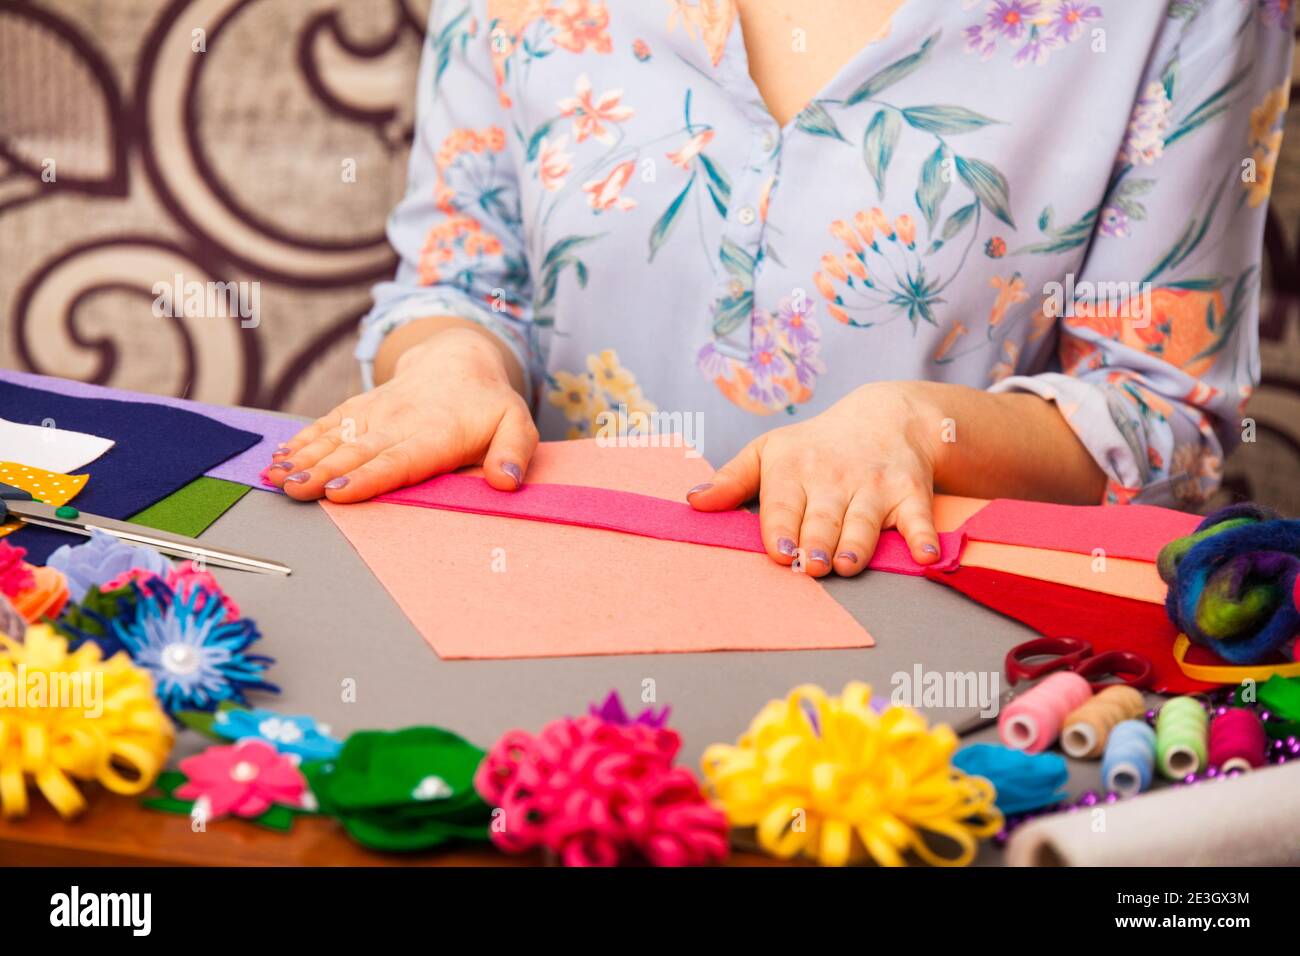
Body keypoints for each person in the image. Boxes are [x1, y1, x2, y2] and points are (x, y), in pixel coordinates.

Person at [267, 0, 1293, 576]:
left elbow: (1160, 413)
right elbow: (457, 274)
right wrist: (451, 363)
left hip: (934, 670)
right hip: (532, 598)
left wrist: (917, 425)